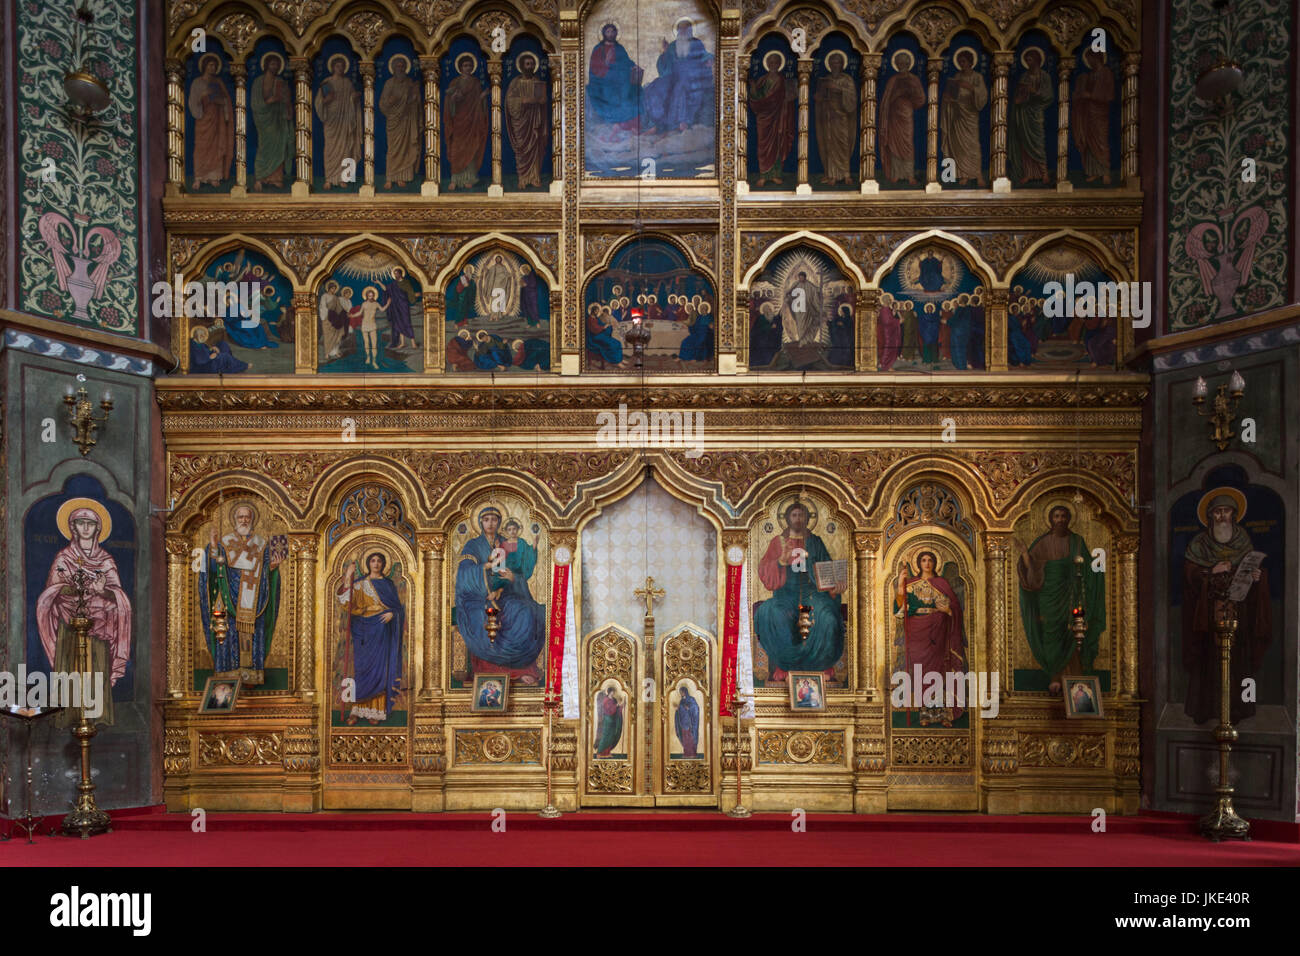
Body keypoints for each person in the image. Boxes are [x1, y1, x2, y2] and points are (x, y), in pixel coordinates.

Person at [36, 499, 131, 728]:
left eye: (90, 523)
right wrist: (75, 588)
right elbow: (53, 590)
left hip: (99, 629)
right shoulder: (64, 558)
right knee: (71, 670)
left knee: (97, 669)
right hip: (70, 626)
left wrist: (104, 591)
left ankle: (98, 714)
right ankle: (68, 714)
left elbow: (117, 594)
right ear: (73, 527)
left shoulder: (106, 560)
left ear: (98, 528)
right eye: (81, 523)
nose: (86, 528)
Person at [1182, 490, 1270, 724]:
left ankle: (1238, 710)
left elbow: (1250, 579)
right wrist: (1211, 571)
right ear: (1210, 516)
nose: (1222, 516)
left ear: (1234, 514)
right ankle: (1208, 709)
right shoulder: (1199, 543)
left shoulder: (1243, 540)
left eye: (1227, 511)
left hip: (1238, 613)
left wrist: (1257, 577)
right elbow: (1189, 575)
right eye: (1217, 512)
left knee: (1239, 661)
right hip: (1209, 616)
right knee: (1208, 662)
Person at [1016, 505, 1105, 694]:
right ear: (1050, 519)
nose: (1060, 519)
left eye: (1063, 516)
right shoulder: (1042, 542)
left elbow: (1090, 568)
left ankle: (1074, 675)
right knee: (1051, 634)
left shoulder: (1077, 542)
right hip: (1048, 597)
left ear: (1069, 518)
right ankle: (1055, 674)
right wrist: (1024, 554)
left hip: (1071, 595)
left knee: (1071, 632)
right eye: (1056, 516)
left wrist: (1091, 573)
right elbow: (1031, 569)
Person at [755, 501, 845, 680]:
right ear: (788, 518)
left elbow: (827, 568)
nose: (798, 519)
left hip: (814, 594)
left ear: (807, 518)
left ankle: (821, 666)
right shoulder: (778, 541)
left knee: (828, 617)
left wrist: (836, 584)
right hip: (786, 595)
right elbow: (765, 569)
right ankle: (784, 665)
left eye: (801, 515)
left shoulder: (815, 541)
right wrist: (781, 561)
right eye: (794, 515)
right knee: (770, 612)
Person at [455, 506, 546, 683]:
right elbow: (464, 574)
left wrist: (514, 578)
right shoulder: (473, 545)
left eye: (494, 519)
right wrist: (484, 568)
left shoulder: (508, 543)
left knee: (526, 611)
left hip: (506, 594)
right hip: (476, 597)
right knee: (482, 616)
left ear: (499, 522)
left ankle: (522, 669)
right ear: (480, 522)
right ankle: (487, 671)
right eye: (486, 519)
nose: (490, 523)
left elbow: (519, 570)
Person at [200, 502, 282, 685]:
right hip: (230, 600)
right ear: (234, 520)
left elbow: (269, 570)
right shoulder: (224, 543)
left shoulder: (262, 544)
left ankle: (253, 675)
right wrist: (213, 547)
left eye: (247, 517)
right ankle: (227, 674)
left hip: (256, 601)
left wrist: (273, 568)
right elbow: (213, 570)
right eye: (240, 517)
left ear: (252, 520)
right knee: (229, 636)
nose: (244, 520)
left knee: (254, 635)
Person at [894, 551, 966, 726]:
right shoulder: (910, 583)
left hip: (938, 629)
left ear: (935, 563)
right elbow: (899, 607)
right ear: (918, 563)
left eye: (930, 560)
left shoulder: (942, 583)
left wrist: (948, 611)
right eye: (923, 560)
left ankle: (942, 714)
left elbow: (955, 608)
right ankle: (925, 713)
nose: (927, 563)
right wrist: (900, 587)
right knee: (920, 671)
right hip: (917, 631)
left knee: (938, 670)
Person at [337, 551, 405, 725]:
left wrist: (392, 613)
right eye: (373, 561)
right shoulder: (360, 584)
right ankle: (355, 709)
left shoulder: (388, 584)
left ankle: (375, 711)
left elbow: (398, 608)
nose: (376, 564)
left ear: (383, 564)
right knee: (361, 669)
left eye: (379, 561)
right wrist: (348, 575)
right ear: (367, 563)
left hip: (382, 630)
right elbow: (346, 604)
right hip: (364, 631)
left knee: (379, 671)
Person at [641, 18, 714, 133]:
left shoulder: (696, 43)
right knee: (655, 87)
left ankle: (682, 122)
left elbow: (704, 55)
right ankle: (656, 122)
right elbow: (664, 66)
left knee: (680, 88)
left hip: (693, 75)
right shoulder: (672, 46)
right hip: (673, 75)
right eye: (681, 29)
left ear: (690, 30)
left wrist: (708, 59)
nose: (683, 32)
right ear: (678, 31)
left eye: (686, 29)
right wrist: (665, 52)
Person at [940, 49, 987, 187]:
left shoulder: (977, 77)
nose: (962, 64)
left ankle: (978, 175)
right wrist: (948, 99)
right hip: (957, 115)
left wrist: (971, 87)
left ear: (970, 62)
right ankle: (964, 175)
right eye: (960, 62)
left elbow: (982, 96)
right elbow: (952, 94)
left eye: (964, 62)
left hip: (970, 115)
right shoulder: (957, 76)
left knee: (972, 146)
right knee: (959, 147)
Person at [749, 50, 795, 187]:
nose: (773, 64)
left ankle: (775, 175)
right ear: (767, 64)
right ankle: (764, 174)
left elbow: (779, 98)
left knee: (776, 144)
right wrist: (752, 88)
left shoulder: (781, 80)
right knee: (763, 146)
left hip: (777, 116)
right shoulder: (762, 79)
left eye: (776, 62)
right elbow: (757, 96)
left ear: (779, 64)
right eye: (771, 62)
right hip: (763, 118)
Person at [315, 55, 362, 189]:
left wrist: (354, 97)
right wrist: (326, 100)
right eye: (337, 66)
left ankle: (344, 178)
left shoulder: (347, 83)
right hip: (331, 120)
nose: (340, 68)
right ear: (333, 67)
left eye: (342, 66)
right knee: (330, 149)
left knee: (346, 147)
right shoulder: (327, 82)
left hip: (345, 120)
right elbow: (319, 102)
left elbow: (351, 98)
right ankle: (329, 179)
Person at [444, 53, 489, 191]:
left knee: (471, 149)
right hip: (459, 121)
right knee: (457, 149)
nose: (467, 68)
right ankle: (455, 179)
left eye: (469, 65)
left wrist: (482, 97)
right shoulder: (455, 83)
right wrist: (454, 98)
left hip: (472, 121)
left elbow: (478, 102)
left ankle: (470, 178)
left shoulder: (475, 83)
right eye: (465, 65)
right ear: (461, 67)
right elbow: (449, 102)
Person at [879, 49, 924, 184]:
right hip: (893, 116)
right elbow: (886, 100)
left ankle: (909, 175)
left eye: (904, 63)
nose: (901, 65)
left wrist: (908, 93)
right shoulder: (893, 80)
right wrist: (896, 95)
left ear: (908, 64)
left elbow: (921, 98)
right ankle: (896, 174)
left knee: (907, 144)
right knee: (893, 144)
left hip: (906, 114)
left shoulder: (913, 79)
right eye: (899, 63)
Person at [1009, 47, 1053, 185]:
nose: (1029, 62)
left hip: (1035, 113)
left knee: (1037, 144)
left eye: (1031, 59)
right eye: (1027, 60)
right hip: (1023, 113)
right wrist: (1019, 98)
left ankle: (1044, 173)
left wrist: (1034, 91)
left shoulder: (1044, 76)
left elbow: (1049, 95)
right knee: (1024, 144)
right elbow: (1019, 94)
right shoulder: (1025, 76)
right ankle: (1028, 174)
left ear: (1038, 60)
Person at [189, 54, 233, 189]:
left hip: (217, 119)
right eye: (210, 65)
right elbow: (193, 102)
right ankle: (199, 177)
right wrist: (204, 95)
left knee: (215, 147)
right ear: (204, 66)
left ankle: (214, 176)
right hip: (203, 120)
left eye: (214, 65)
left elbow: (226, 100)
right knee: (201, 147)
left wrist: (221, 104)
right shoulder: (197, 82)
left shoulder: (218, 82)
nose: (212, 68)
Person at [250, 53, 293, 191]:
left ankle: (276, 178)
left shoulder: (280, 82)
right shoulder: (258, 81)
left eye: (277, 64)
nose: (275, 67)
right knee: (264, 147)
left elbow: (286, 100)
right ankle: (260, 178)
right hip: (264, 121)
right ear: (266, 65)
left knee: (279, 147)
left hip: (278, 120)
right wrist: (271, 100)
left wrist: (286, 104)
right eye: (272, 64)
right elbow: (255, 103)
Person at [586, 23, 642, 129]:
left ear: (616, 33)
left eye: (612, 32)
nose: (610, 34)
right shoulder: (598, 49)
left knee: (634, 90)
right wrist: (606, 62)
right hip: (603, 80)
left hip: (621, 79)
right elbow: (594, 68)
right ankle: (615, 120)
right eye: (608, 32)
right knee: (612, 92)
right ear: (604, 33)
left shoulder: (619, 48)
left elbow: (626, 61)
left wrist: (635, 66)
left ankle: (627, 121)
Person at [506, 52, 549, 188]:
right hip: (520, 122)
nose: (529, 67)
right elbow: (509, 101)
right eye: (527, 64)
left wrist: (541, 100)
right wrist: (523, 101)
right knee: (521, 150)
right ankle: (523, 179)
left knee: (534, 149)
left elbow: (542, 101)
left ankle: (534, 177)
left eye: (532, 64)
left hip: (534, 121)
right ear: (522, 66)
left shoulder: (537, 82)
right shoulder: (515, 83)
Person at [814, 50, 856, 185]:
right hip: (828, 116)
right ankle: (831, 175)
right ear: (829, 64)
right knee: (830, 144)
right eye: (832, 62)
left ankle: (846, 174)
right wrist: (819, 96)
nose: (835, 65)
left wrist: (837, 89)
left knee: (843, 144)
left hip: (842, 116)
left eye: (837, 62)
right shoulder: (825, 80)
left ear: (842, 64)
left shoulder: (847, 79)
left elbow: (852, 99)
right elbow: (819, 97)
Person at [379, 55, 421, 188]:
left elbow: (415, 102)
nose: (401, 68)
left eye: (403, 66)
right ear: (393, 68)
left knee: (406, 148)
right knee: (393, 150)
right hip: (394, 120)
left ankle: (402, 177)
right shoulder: (389, 83)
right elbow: (382, 103)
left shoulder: (409, 83)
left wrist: (415, 97)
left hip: (407, 119)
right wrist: (390, 101)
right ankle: (390, 177)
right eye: (398, 66)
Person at [1073, 49, 1113, 184]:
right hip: (1088, 113)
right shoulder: (1090, 75)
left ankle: (1105, 171)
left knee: (1101, 142)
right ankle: (1094, 171)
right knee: (1089, 143)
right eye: (1087, 59)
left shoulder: (1106, 73)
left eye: (1090, 59)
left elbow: (1109, 95)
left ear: (1097, 58)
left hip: (1099, 113)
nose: (1089, 62)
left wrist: (1090, 96)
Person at [384, 266, 417, 351]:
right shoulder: (393, 284)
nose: (395, 275)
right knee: (399, 323)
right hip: (396, 306)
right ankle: (402, 343)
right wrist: (379, 283)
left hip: (404, 305)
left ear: (401, 273)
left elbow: (410, 293)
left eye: (397, 273)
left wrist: (414, 296)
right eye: (394, 274)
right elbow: (386, 289)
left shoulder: (406, 282)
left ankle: (413, 342)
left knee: (406, 322)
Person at [593, 686, 624, 757]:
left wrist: (621, 706)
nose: (613, 693)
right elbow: (609, 710)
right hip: (607, 720)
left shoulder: (614, 699)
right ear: (609, 692)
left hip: (613, 720)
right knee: (606, 736)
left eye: (614, 692)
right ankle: (599, 752)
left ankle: (607, 753)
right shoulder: (606, 700)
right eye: (612, 692)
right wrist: (616, 706)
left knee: (611, 736)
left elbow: (616, 709)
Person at [674, 686, 700, 757]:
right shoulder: (681, 701)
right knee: (685, 738)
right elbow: (681, 710)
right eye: (680, 692)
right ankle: (687, 753)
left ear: (685, 692)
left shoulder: (691, 699)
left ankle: (692, 753)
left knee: (690, 737)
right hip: (683, 722)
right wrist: (678, 709)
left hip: (690, 723)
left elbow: (696, 708)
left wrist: (689, 708)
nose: (681, 694)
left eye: (682, 692)